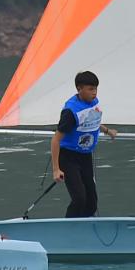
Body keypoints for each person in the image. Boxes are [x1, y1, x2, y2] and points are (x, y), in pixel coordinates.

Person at [50, 70, 111, 218]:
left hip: (85, 156)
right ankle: (68, 228)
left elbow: (91, 119)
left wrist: (107, 130)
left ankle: (83, 227)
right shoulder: (70, 112)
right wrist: (56, 169)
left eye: (96, 88)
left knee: (91, 203)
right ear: (79, 89)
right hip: (68, 157)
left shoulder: (93, 102)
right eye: (90, 89)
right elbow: (56, 140)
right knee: (79, 199)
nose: (94, 93)